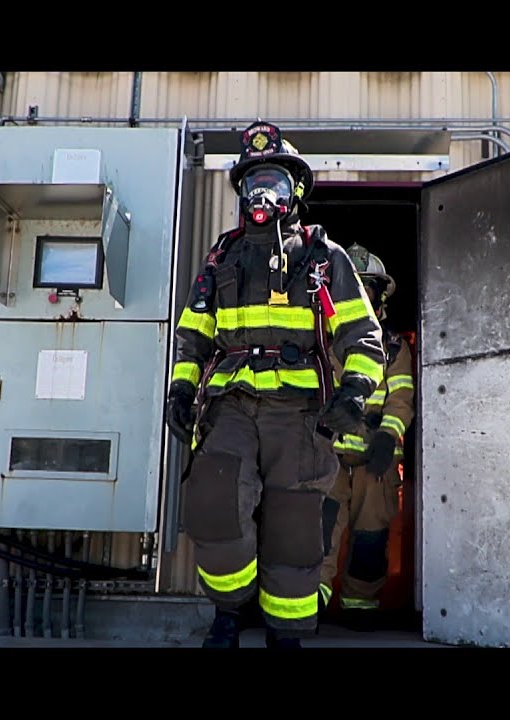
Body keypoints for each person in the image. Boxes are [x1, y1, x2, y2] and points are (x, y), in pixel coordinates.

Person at [165, 120, 386, 649]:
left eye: (277, 184)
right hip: (231, 404)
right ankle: (229, 611)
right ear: (241, 192)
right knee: (213, 505)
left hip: (299, 414)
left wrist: (354, 390)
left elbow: (362, 334)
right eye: (254, 183)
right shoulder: (221, 258)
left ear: (297, 194)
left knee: (293, 530)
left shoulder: (323, 259)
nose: (264, 194)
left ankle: (285, 634)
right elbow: (193, 335)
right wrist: (180, 389)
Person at [318, 245, 416, 631]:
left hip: (375, 468)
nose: (359, 296)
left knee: (371, 541)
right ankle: (305, 611)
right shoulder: (319, 344)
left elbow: (402, 398)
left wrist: (387, 437)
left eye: (366, 290)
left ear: (379, 297)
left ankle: (359, 610)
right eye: (351, 288)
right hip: (326, 462)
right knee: (316, 537)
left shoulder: (394, 349)